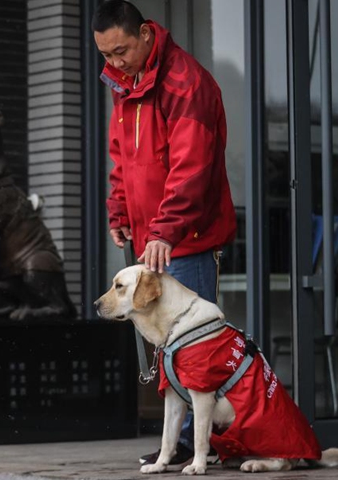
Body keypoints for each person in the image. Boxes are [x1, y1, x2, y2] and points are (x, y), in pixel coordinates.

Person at [92, 0, 237, 467]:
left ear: (146, 35)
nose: (114, 63)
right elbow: (123, 158)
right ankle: (180, 446)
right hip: (150, 237)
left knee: (192, 352)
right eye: (106, 55)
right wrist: (119, 211)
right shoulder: (126, 84)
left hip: (184, 237)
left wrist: (165, 229)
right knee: (165, 348)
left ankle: (205, 445)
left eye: (121, 51)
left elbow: (191, 168)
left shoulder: (184, 82)